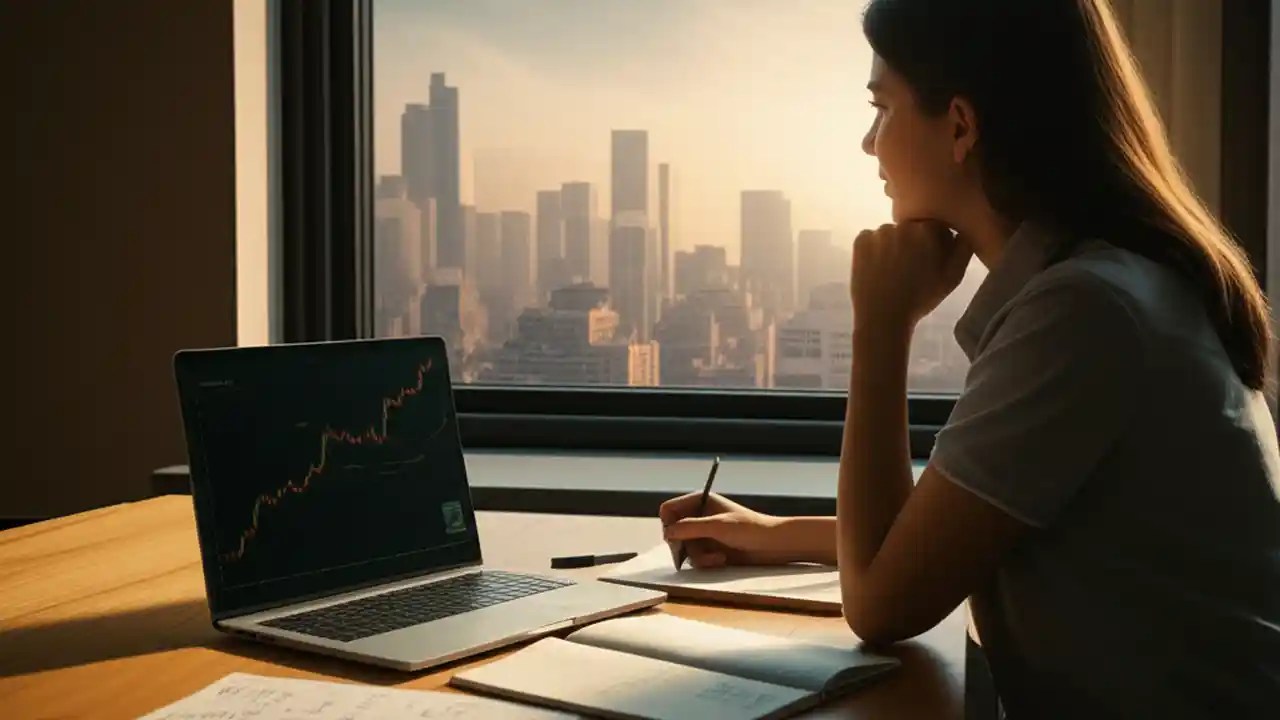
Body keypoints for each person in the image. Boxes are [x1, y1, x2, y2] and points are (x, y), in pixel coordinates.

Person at [658, 0, 1280, 717]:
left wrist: (882, 327)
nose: (869, 143)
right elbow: (968, 530)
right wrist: (774, 537)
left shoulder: (1082, 314)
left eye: (882, 108)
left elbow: (883, 605)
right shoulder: (1114, 283)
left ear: (959, 125)